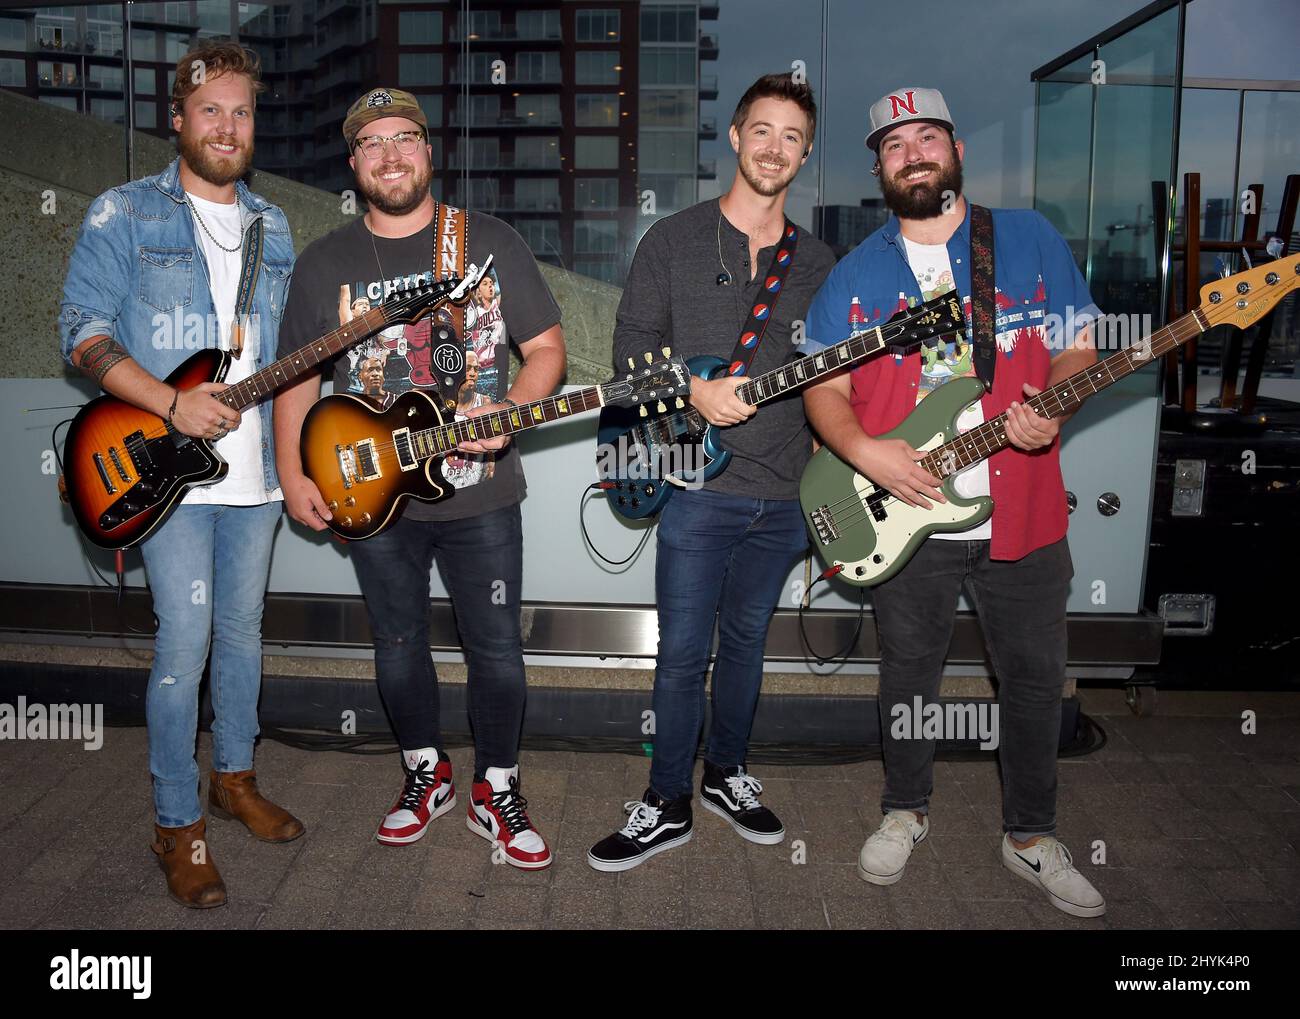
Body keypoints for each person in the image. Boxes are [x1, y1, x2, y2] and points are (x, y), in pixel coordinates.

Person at [802, 87, 1106, 917]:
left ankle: (1032, 836)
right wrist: (866, 452)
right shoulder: (854, 272)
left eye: (926, 138)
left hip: (1026, 507)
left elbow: (1080, 347)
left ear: (957, 149)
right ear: (878, 168)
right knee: (908, 674)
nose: (912, 154)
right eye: (894, 146)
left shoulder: (1031, 238)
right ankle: (905, 810)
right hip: (910, 517)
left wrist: (1054, 408)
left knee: (1036, 678)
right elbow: (821, 390)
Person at [273, 87, 565, 869]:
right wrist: (291, 470)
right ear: (353, 163)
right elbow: (298, 381)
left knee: (497, 649)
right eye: (372, 144)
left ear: (430, 151)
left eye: (404, 138)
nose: (391, 155)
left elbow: (546, 351)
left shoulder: (488, 242)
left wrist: (511, 406)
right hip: (371, 496)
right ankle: (424, 771)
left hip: (483, 494)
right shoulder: (325, 261)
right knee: (397, 643)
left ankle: (494, 785)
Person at [58, 41, 302, 908]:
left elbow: (287, 364)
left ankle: (233, 777)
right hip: (165, 480)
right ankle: (176, 821)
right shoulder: (123, 213)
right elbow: (83, 333)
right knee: (183, 646)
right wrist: (169, 405)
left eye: (241, 111)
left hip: (254, 483)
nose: (227, 126)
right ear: (178, 116)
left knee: (242, 638)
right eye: (211, 110)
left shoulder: (276, 227)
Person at [588, 73, 835, 872]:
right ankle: (666, 799)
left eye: (791, 137)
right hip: (697, 487)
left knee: (748, 645)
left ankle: (725, 773)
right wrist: (691, 390)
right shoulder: (673, 241)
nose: (774, 148)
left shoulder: (822, 262)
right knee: (682, 650)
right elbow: (628, 351)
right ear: (734, 137)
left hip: (784, 493)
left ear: (804, 154)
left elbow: (838, 384)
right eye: (761, 131)